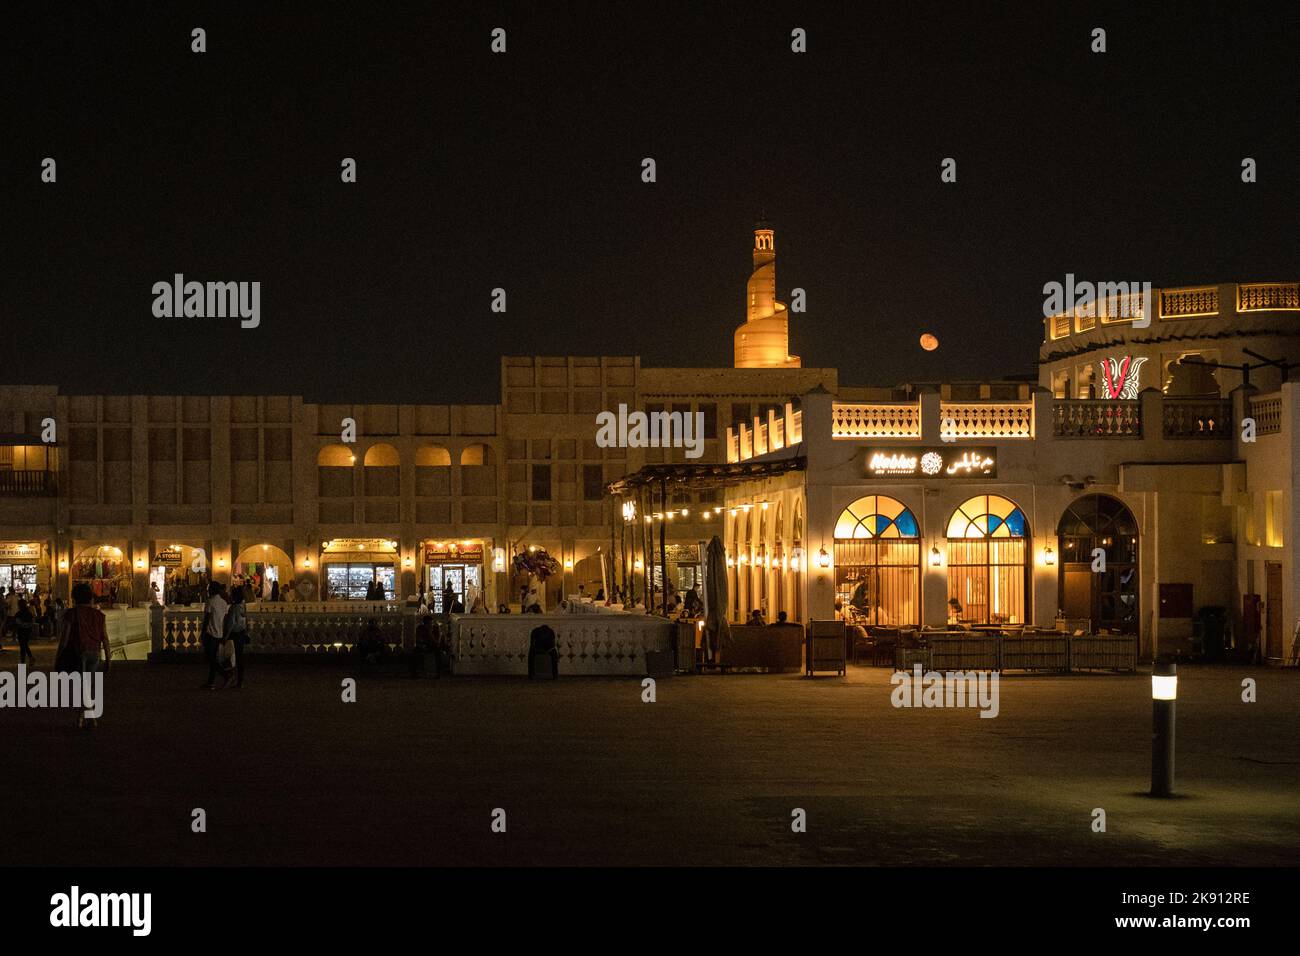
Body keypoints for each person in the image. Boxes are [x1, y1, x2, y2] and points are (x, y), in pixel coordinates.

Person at [55, 583, 110, 728]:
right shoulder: (99, 615)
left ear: (74, 598)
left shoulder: (71, 614)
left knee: (83, 686)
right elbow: (105, 638)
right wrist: (109, 659)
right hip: (95, 653)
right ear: (90, 598)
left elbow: (64, 638)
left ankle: (89, 717)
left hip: (78, 652)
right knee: (86, 686)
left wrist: (58, 655)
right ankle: (83, 716)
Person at [200, 581, 230, 689]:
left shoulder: (210, 602)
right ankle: (211, 682)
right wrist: (224, 634)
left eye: (209, 588)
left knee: (210, 658)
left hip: (210, 633)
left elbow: (207, 619)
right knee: (213, 658)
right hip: (219, 633)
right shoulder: (223, 602)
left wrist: (202, 633)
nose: (208, 590)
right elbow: (225, 620)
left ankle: (225, 675)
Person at [224, 585, 250, 689]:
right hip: (241, 633)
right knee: (239, 657)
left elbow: (230, 624)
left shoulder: (234, 608)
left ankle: (232, 677)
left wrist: (225, 636)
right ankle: (240, 680)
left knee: (230, 657)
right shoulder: (242, 606)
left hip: (234, 634)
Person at [13, 598, 37, 665]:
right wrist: (28, 625)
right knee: (25, 644)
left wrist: (23, 625)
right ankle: (30, 658)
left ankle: (23, 661)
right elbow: (32, 621)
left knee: (22, 645)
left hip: (21, 631)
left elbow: (17, 622)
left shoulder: (18, 613)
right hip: (27, 630)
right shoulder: (29, 613)